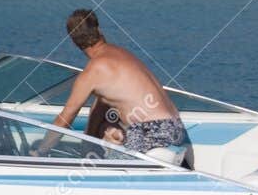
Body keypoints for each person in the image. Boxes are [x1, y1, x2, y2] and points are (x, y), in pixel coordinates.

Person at [40, 9, 190, 165]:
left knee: (101, 168)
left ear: (73, 41)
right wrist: (90, 146)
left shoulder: (92, 72)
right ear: (99, 30)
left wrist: (40, 151)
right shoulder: (122, 54)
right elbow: (97, 113)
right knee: (109, 137)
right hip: (175, 126)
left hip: (150, 131)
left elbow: (65, 119)